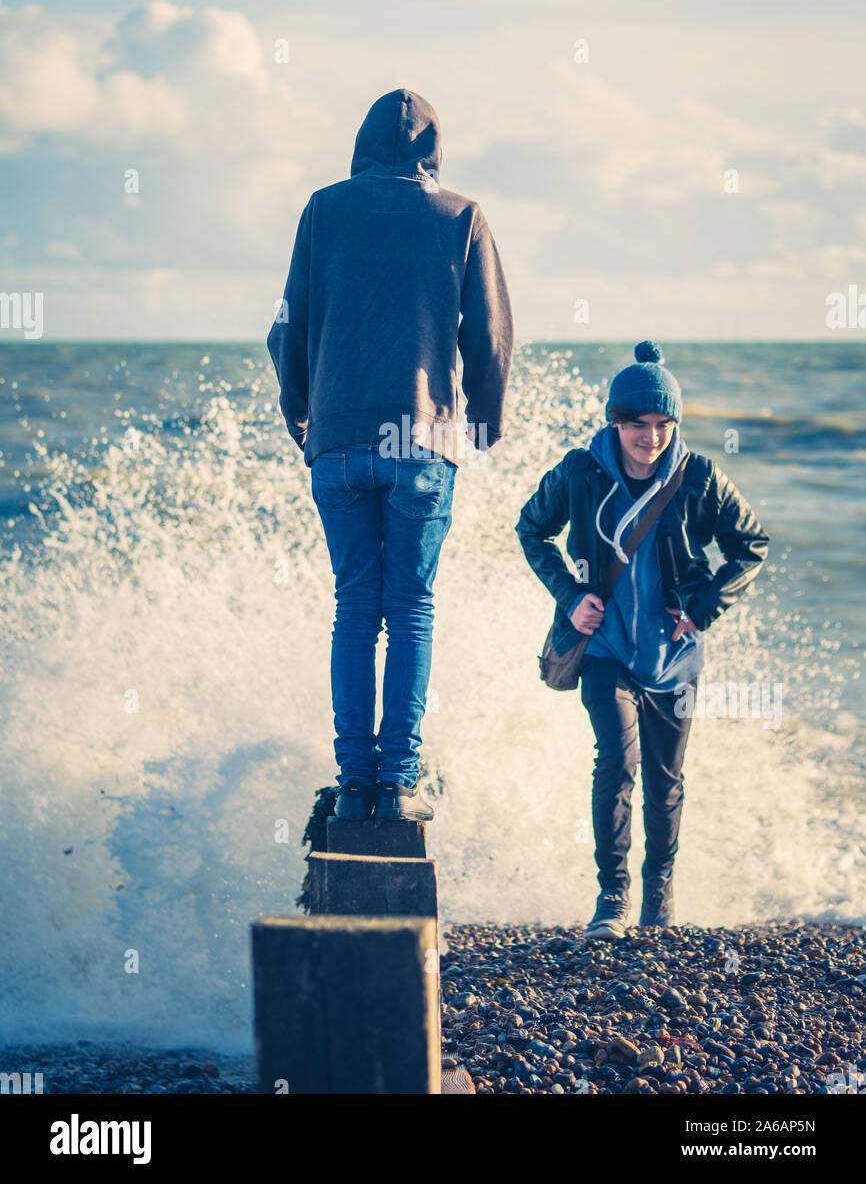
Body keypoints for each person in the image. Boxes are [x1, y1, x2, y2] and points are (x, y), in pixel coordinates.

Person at [267, 88, 513, 822]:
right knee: (409, 608)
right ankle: (399, 784)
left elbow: (286, 326)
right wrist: (487, 413)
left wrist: (302, 412)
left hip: (339, 440)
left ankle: (354, 786)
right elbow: (492, 331)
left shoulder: (323, 210)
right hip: (423, 439)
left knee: (354, 608)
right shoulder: (460, 215)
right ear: (433, 148)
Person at [515, 341, 769, 936]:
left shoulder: (699, 478)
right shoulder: (580, 470)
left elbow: (750, 545)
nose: (650, 438)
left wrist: (703, 609)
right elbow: (532, 530)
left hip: (674, 659)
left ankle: (659, 894)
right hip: (604, 649)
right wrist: (571, 597)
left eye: (661, 425)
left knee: (665, 779)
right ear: (615, 421)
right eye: (637, 425)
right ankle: (613, 896)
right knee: (617, 762)